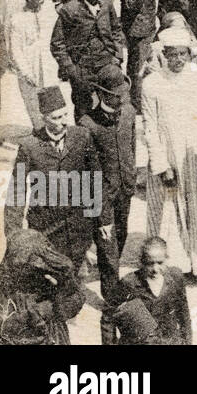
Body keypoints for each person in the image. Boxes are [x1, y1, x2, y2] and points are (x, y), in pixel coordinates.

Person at [137, 25, 197, 281]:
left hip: (192, 155)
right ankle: (168, 266)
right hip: (166, 156)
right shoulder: (152, 83)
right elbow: (149, 127)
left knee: (194, 209)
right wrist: (161, 165)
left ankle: (196, 266)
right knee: (167, 212)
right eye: (173, 54)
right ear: (164, 54)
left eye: (183, 54)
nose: (178, 59)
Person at [5, 85, 112, 270]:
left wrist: (103, 218)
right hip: (46, 227)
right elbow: (17, 191)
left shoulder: (82, 137)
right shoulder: (30, 146)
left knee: (73, 277)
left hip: (78, 226)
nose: (63, 122)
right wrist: (14, 234)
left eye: (65, 115)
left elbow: (95, 178)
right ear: (43, 118)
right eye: (56, 118)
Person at [50, 0, 124, 119]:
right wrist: (71, 69)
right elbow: (57, 45)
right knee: (84, 108)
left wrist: (117, 56)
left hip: (106, 63)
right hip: (82, 67)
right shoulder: (70, 10)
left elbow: (117, 30)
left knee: (116, 100)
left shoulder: (106, 5)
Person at [78, 63, 135, 261]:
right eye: (116, 95)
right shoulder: (87, 124)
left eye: (123, 94)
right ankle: (111, 283)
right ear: (102, 95)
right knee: (107, 239)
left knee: (121, 234)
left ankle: (112, 270)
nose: (121, 99)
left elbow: (132, 147)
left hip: (125, 188)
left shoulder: (129, 113)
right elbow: (85, 169)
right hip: (103, 194)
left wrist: (131, 173)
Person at [0, 228, 85, 345]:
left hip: (50, 333)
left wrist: (49, 307)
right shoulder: (5, 282)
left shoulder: (48, 278)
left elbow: (76, 298)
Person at [101, 236, 192, 345]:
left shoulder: (176, 278)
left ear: (167, 259)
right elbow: (108, 315)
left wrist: (187, 341)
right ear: (142, 262)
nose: (155, 269)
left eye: (160, 263)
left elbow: (184, 315)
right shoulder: (129, 282)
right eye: (150, 263)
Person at [2, 0, 54, 137]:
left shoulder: (47, 14)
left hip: (48, 68)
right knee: (34, 107)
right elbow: (15, 51)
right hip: (29, 72)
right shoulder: (17, 20)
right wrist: (26, 73)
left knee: (52, 106)